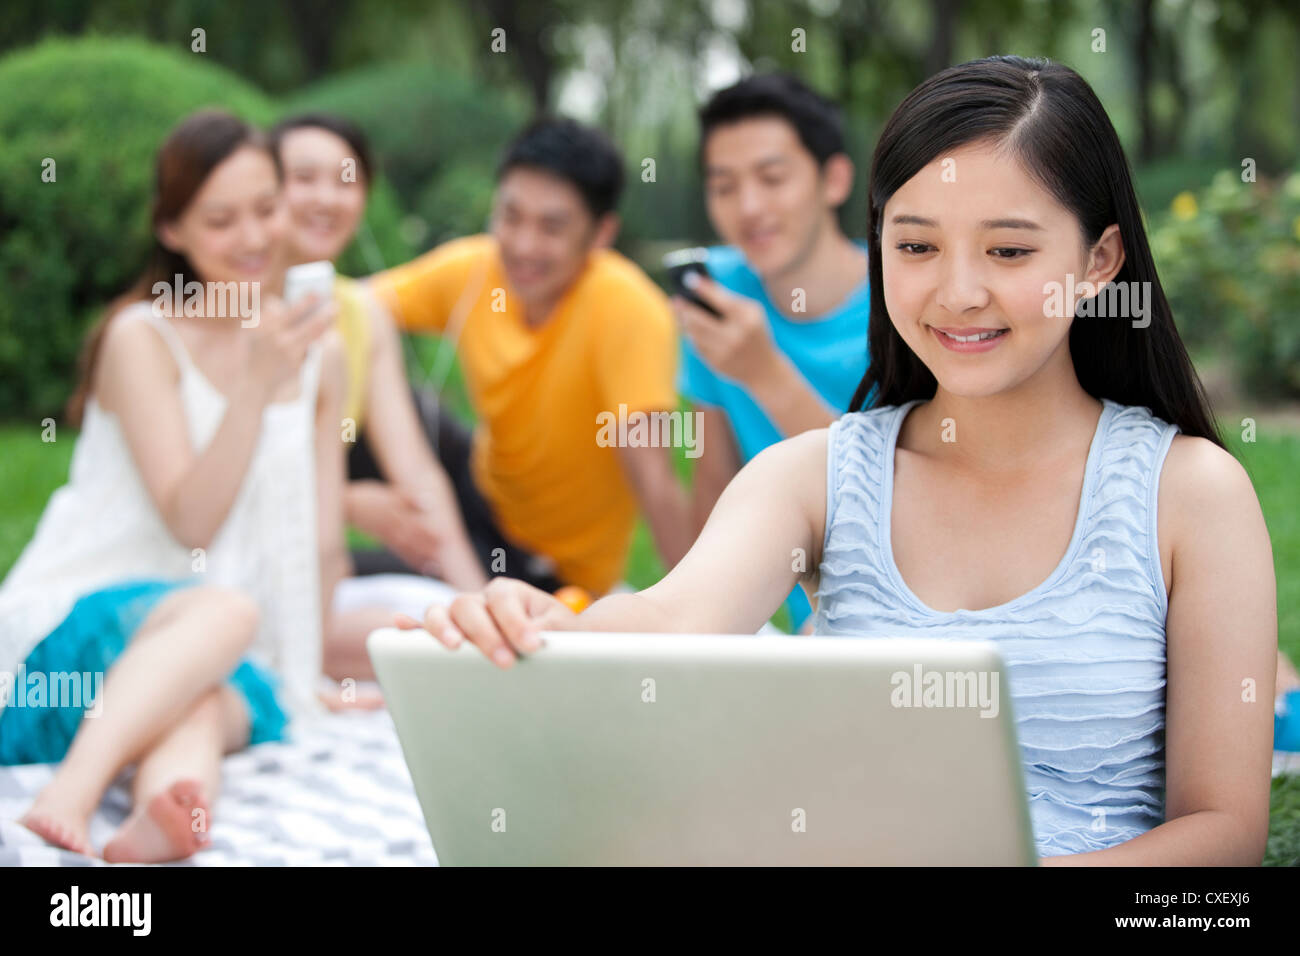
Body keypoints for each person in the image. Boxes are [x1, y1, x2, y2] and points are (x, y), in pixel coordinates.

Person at [401, 57, 1277, 864]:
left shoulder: (1190, 494)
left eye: (1008, 250)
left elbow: (1226, 832)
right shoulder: (813, 477)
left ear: (1098, 261)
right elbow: (677, 622)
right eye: (916, 245)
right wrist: (543, 627)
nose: (957, 290)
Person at [0, 111, 348, 862]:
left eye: (267, 208)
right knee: (223, 614)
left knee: (214, 702)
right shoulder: (140, 337)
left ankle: (165, 823)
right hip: (82, 640)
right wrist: (255, 388)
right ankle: (73, 791)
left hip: (212, 654)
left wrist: (308, 671)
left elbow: (321, 538)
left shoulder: (318, 349)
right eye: (221, 219)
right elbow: (193, 521)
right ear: (172, 230)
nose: (254, 237)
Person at [364, 116, 693, 600]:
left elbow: (654, 480)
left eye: (551, 227)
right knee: (356, 354)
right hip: (477, 494)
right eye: (511, 216)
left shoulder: (627, 309)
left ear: (601, 233)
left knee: (368, 576)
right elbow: (350, 307)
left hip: (547, 569)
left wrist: (703, 617)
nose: (522, 245)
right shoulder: (475, 270)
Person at [270, 113, 486, 682]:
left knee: (447, 628)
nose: (326, 198)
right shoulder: (224, 304)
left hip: (315, 574)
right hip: (229, 566)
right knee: (429, 648)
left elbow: (418, 477)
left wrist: (480, 600)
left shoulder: (360, 316)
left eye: (345, 180)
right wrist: (349, 502)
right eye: (304, 178)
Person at [671, 74, 871, 631]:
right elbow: (712, 486)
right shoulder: (718, 294)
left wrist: (765, 374)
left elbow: (895, 504)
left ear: (833, 179)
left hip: (902, 621)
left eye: (772, 177)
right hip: (791, 632)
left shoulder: (906, 301)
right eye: (724, 186)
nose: (749, 207)